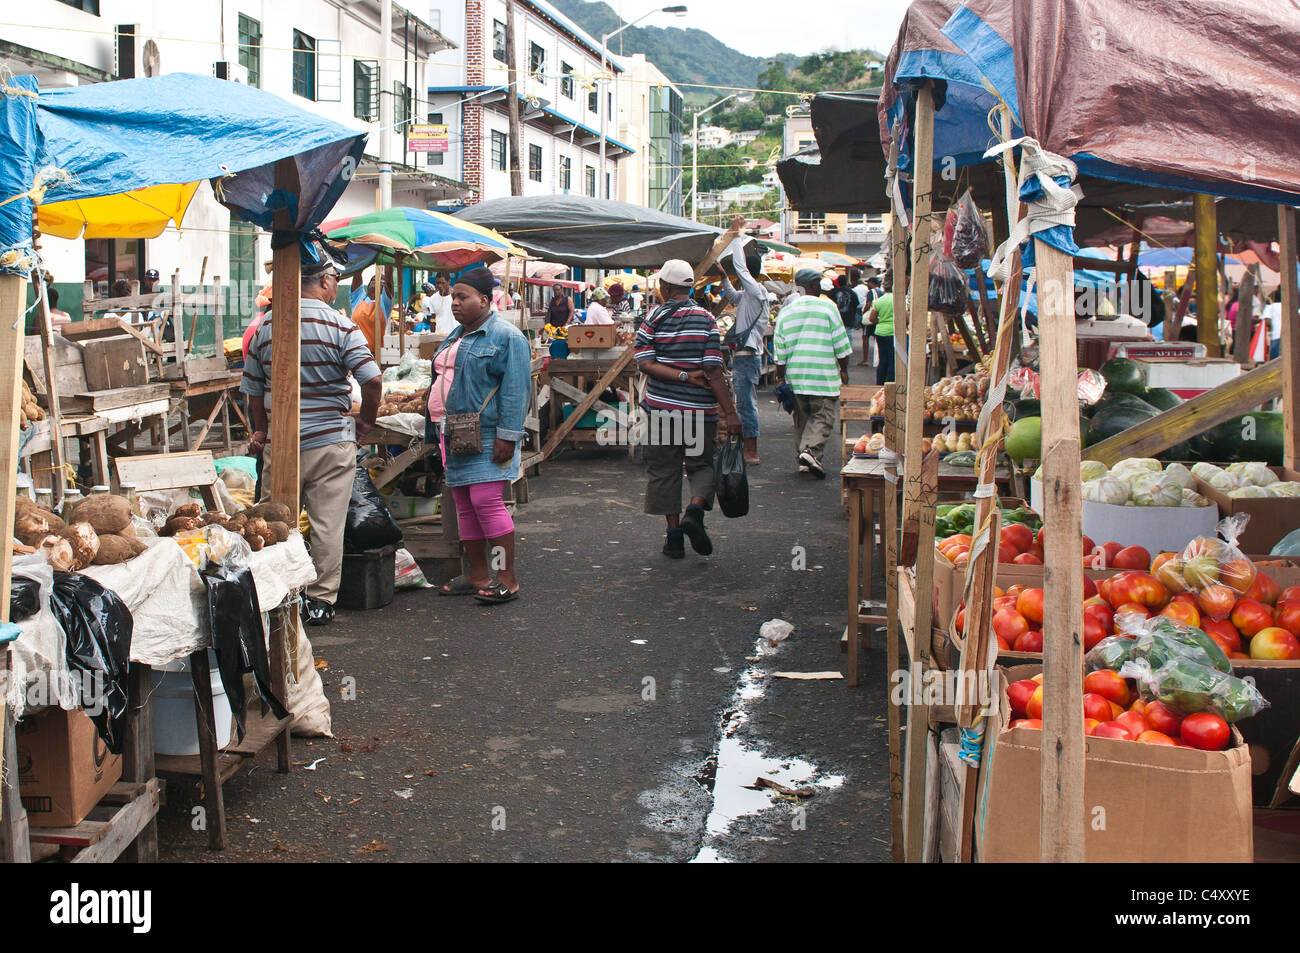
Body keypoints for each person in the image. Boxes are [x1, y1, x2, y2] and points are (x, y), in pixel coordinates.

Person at [242, 251, 382, 626]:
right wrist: (365, 420)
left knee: (276, 521)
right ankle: (320, 601)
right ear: (324, 282)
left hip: (281, 444)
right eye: (335, 280)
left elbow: (254, 389)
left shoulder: (267, 327)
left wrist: (262, 429)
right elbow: (372, 379)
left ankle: (276, 594)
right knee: (326, 524)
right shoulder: (340, 326)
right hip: (330, 441)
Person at [429, 266, 532, 604]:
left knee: (486, 503)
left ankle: (507, 577)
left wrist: (508, 436)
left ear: (485, 300)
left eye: (463, 296)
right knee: (464, 505)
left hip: (488, 433)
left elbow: (516, 390)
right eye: (453, 296)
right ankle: (477, 574)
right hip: (454, 433)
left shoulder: (507, 337)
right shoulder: (457, 334)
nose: (455, 302)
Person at [635, 259, 741, 559]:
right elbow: (713, 369)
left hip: (662, 409)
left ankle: (674, 537)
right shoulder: (706, 319)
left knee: (663, 472)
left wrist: (678, 374)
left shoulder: (653, 318)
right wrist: (730, 412)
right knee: (702, 466)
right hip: (699, 410)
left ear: (665, 287)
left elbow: (645, 362)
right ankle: (694, 512)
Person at [773, 268, 852, 478]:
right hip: (823, 376)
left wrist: (781, 377)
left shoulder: (785, 312)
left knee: (802, 418)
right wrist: (844, 369)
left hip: (796, 376)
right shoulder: (828, 307)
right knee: (822, 417)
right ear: (813, 285)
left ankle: (805, 460)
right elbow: (841, 344)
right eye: (818, 283)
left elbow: (779, 351)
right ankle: (810, 451)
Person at [718, 216, 768, 465]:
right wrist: (724, 278)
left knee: (746, 405)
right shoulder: (751, 295)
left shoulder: (757, 291)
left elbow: (740, 267)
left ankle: (752, 451)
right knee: (745, 402)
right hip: (746, 356)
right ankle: (748, 448)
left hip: (747, 356)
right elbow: (732, 297)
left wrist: (736, 236)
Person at [350, 269, 392, 357]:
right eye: (373, 279)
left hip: (377, 355)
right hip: (355, 353)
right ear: (368, 284)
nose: (376, 281)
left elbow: (389, 276)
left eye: (381, 280)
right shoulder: (358, 298)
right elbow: (357, 272)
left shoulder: (385, 302)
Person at [866, 276, 896, 384]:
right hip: (893, 332)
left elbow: (871, 318)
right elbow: (906, 318)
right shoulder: (898, 300)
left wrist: (881, 321)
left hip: (880, 332)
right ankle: (891, 384)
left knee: (882, 359)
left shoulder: (879, 301)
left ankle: (879, 383)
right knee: (893, 360)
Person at [1262, 289, 1283, 360]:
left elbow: (1267, 321)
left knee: (1275, 361)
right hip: (1291, 338)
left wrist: (1272, 327)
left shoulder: (1270, 307)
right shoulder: (1291, 307)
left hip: (1276, 336)